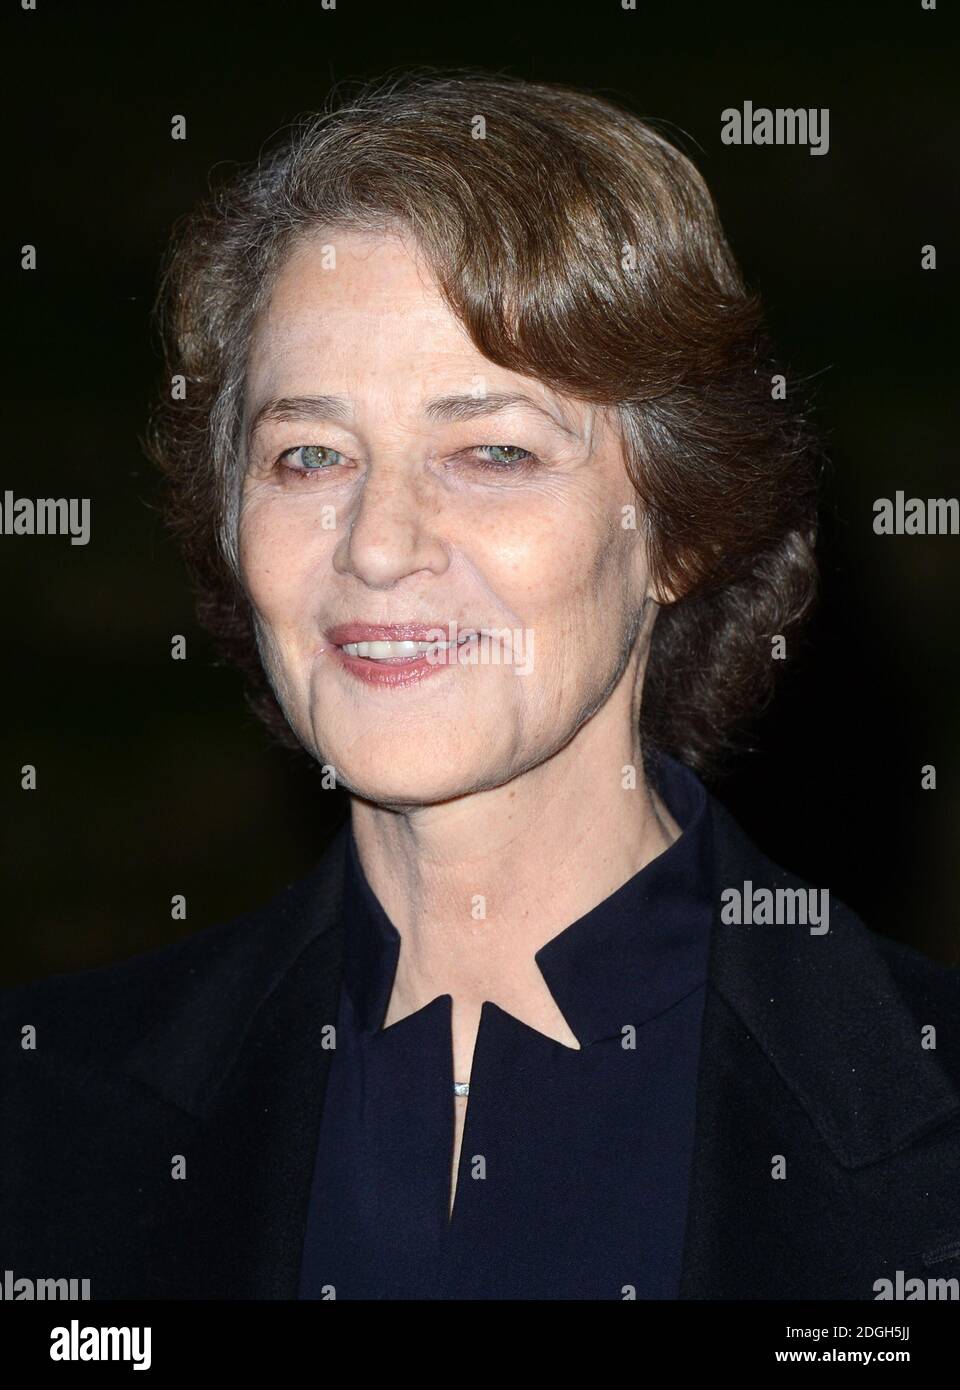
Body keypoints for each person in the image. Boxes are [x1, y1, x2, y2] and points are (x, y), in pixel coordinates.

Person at [3, 69, 959, 1301]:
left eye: (492, 450)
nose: (378, 542)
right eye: (308, 455)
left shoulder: (922, 1125)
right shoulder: (43, 1113)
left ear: (679, 527)